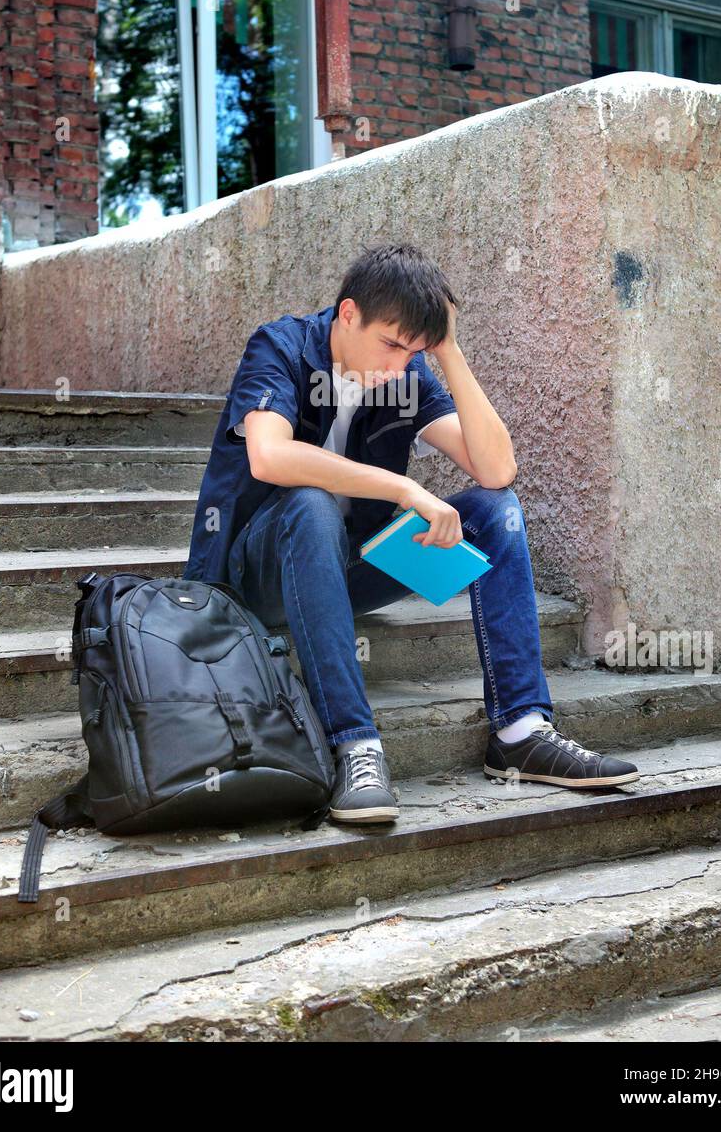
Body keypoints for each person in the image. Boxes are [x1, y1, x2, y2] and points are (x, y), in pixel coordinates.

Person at [184, 242, 639, 824]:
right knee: (309, 502)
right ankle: (354, 744)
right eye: (392, 344)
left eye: (415, 350)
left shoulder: (411, 370)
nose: (400, 365)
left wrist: (448, 351)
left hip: (347, 570)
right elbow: (270, 457)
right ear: (348, 314)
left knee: (494, 510)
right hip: (257, 576)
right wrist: (403, 490)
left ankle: (521, 731)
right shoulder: (280, 347)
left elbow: (497, 469)